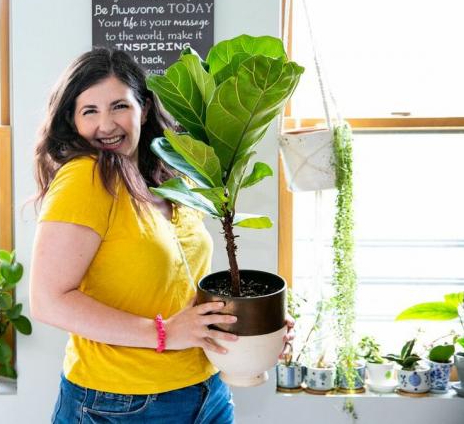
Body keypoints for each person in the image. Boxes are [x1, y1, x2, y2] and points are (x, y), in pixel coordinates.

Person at [30, 48, 294, 423]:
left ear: (145, 108)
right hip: (121, 403)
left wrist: (256, 327)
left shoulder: (173, 177)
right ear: (72, 121)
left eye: (119, 106)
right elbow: (47, 300)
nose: (106, 125)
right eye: (90, 111)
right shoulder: (85, 178)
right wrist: (165, 333)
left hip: (206, 391)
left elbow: (178, 288)